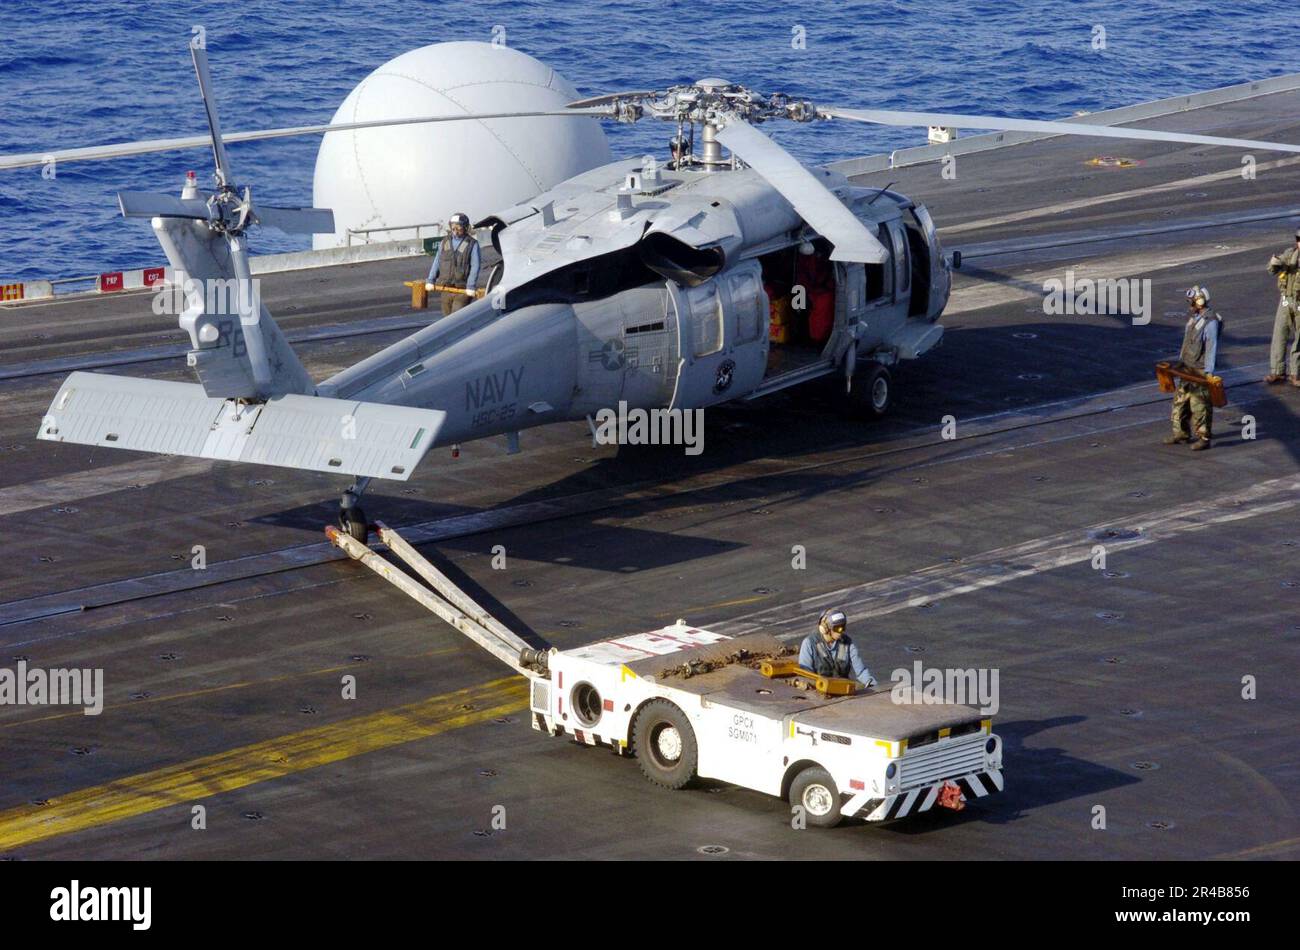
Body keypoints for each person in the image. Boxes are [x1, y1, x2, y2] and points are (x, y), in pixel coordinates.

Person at [1164, 285, 1221, 452]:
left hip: (1200, 371)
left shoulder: (1210, 322)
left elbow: (1212, 347)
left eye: (1193, 302)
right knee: (1179, 402)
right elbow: (1186, 343)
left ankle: (1204, 438)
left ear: (1201, 301)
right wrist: (1180, 362)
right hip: (1187, 368)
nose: (1190, 305)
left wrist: (1209, 372)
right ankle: (1181, 433)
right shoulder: (1193, 319)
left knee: (1200, 405)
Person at [798, 608, 876, 687]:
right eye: (837, 628)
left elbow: (861, 671)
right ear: (825, 628)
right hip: (819, 689)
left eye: (843, 626)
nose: (841, 630)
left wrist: (871, 683)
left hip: (843, 688)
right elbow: (806, 675)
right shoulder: (809, 643)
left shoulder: (847, 643)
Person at [425, 213, 480, 316]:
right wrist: (430, 280)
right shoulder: (445, 242)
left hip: (463, 290)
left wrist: (471, 286)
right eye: (453, 226)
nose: (455, 230)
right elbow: (437, 261)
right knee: (447, 319)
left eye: (459, 227)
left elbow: (475, 266)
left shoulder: (472, 244)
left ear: (465, 227)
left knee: (457, 317)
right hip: (446, 288)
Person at [1266, 229, 1300, 386]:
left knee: (1299, 339)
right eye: (1298, 239)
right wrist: (1275, 262)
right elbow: (1271, 269)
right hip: (1286, 300)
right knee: (1279, 334)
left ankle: (1296, 373)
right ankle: (1277, 371)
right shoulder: (1290, 254)